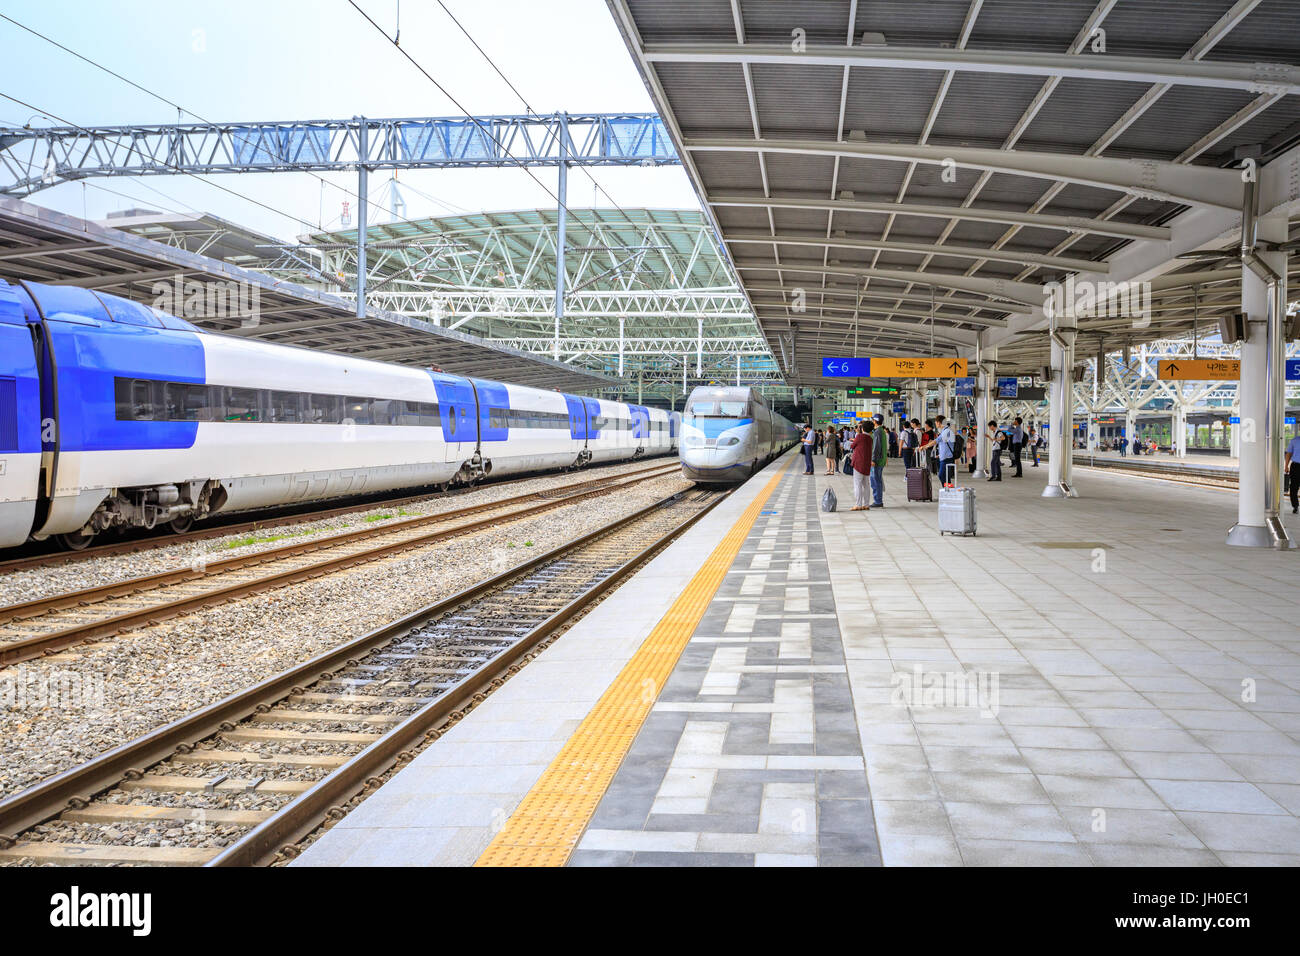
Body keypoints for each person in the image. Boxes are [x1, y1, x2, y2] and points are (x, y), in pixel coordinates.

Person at [920, 415, 957, 486]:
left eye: (936, 423)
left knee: (941, 475)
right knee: (946, 477)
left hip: (947, 458)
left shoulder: (946, 431)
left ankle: (947, 490)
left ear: (939, 423)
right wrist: (939, 454)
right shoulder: (945, 431)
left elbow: (936, 441)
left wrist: (925, 446)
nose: (936, 424)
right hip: (945, 457)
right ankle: (948, 491)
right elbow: (944, 445)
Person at [850, 421, 873, 511]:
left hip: (859, 463)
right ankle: (866, 504)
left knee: (858, 484)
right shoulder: (870, 438)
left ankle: (858, 504)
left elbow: (852, 446)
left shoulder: (859, 436)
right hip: (867, 463)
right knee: (866, 484)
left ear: (862, 428)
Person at [870, 413, 888, 507]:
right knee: (877, 480)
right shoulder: (881, 431)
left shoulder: (877, 432)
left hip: (877, 461)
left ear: (875, 421)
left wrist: (873, 459)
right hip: (881, 459)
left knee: (875, 481)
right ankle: (878, 500)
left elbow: (876, 447)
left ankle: (878, 501)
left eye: (873, 420)